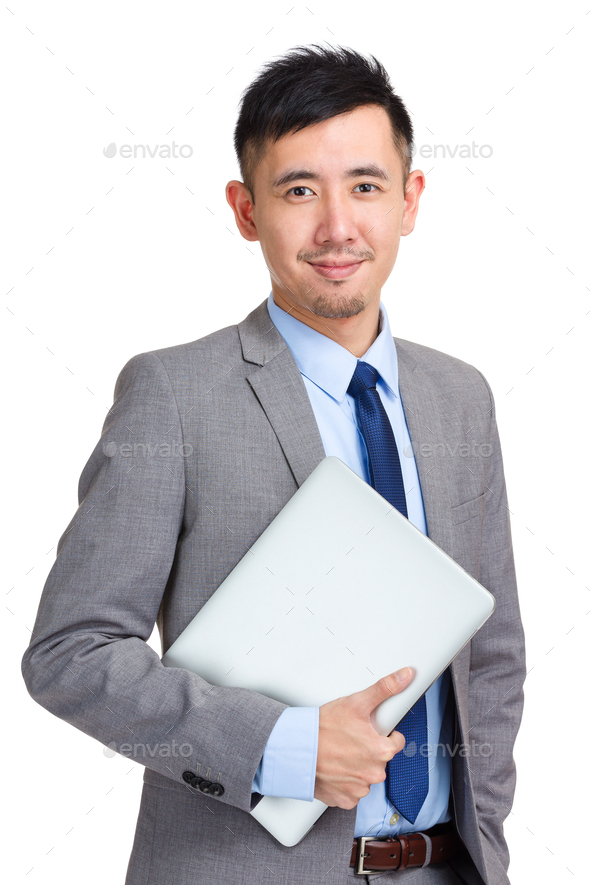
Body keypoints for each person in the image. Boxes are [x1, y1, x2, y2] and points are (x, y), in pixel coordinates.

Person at [21, 44, 526, 884]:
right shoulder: (174, 395)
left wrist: (489, 841)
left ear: (411, 200)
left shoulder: (460, 397)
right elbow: (71, 652)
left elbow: (495, 654)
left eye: (366, 185)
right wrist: (282, 748)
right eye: (299, 190)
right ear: (246, 209)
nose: (337, 226)